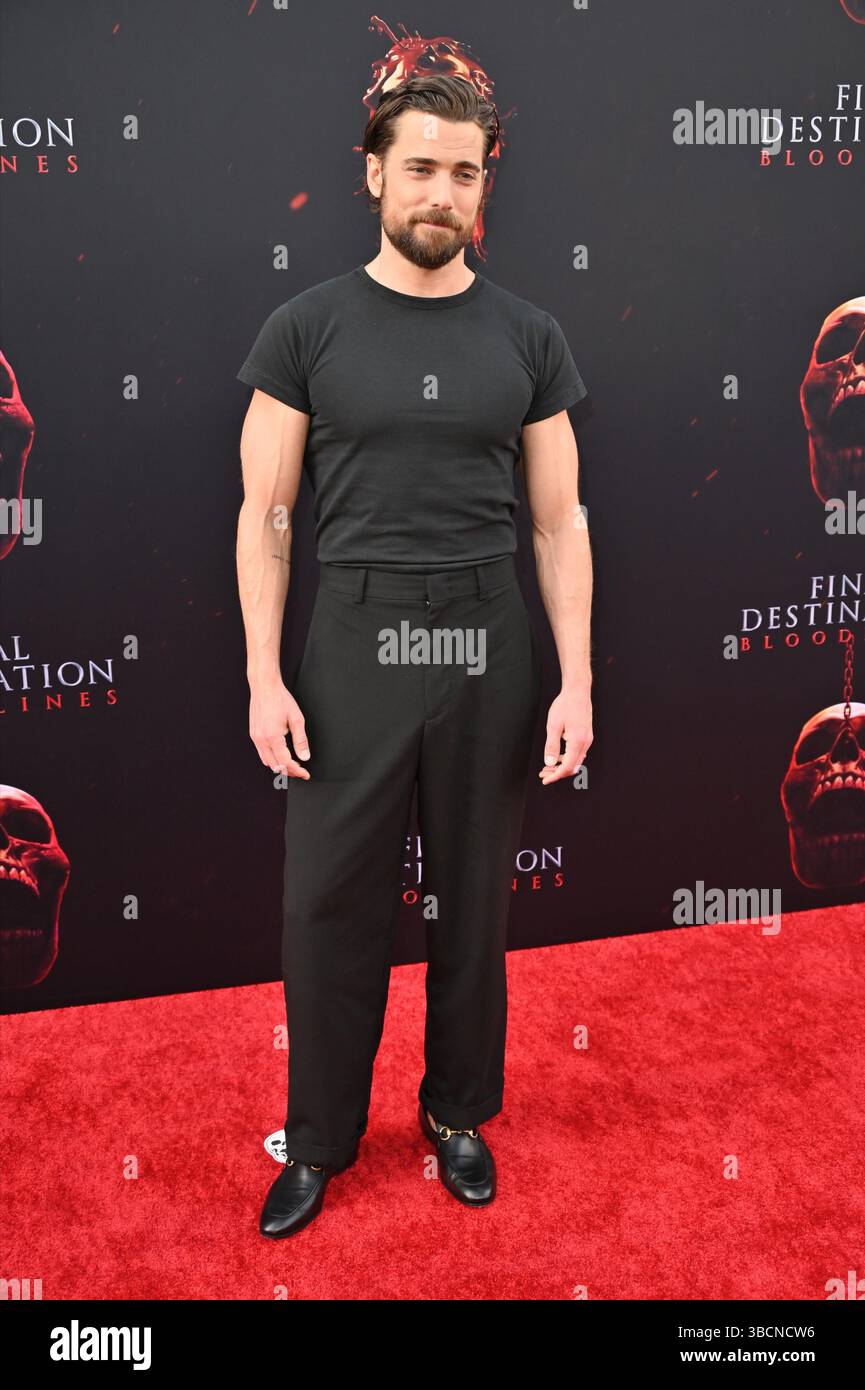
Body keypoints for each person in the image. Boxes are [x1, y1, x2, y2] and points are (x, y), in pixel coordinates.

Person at [235, 73, 594, 1239]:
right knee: (325, 907)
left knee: (474, 902)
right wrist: (263, 675)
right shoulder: (305, 328)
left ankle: (457, 1113)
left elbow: (559, 523)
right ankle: (319, 1139)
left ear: (484, 187)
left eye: (465, 173)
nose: (442, 192)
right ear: (374, 172)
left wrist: (577, 680)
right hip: (354, 642)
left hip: (490, 637)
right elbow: (266, 517)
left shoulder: (528, 334)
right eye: (422, 167)